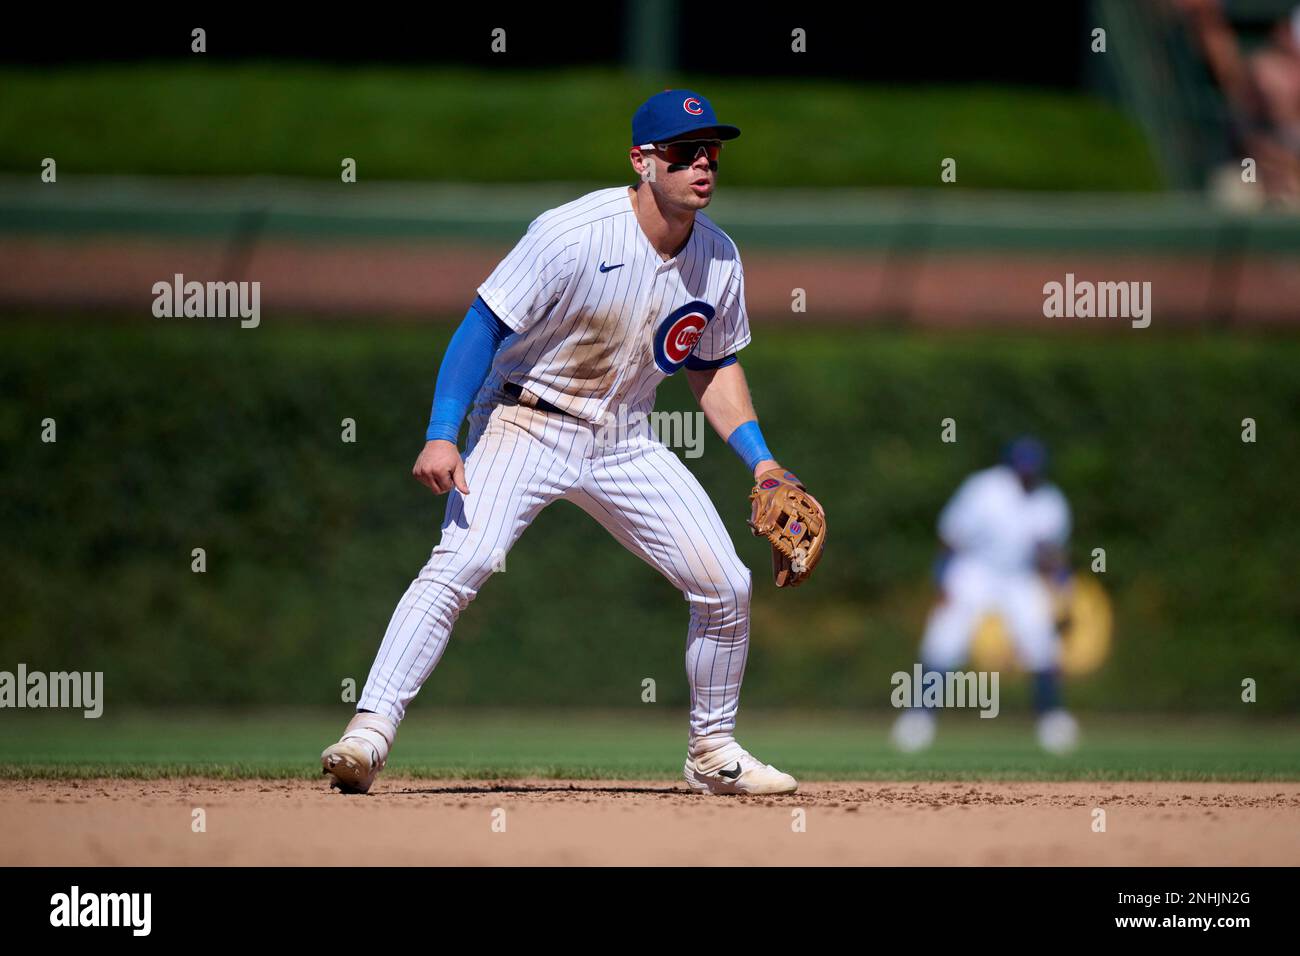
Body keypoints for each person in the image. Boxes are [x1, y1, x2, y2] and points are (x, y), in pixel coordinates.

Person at [320, 90, 803, 796]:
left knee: (725, 584)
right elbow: (483, 324)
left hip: (625, 438)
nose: (702, 163)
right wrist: (442, 434)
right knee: (465, 560)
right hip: (524, 422)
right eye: (683, 151)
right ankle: (368, 733)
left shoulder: (719, 258)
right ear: (642, 161)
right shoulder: (573, 233)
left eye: (712, 151)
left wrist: (762, 462)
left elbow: (713, 365)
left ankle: (713, 750)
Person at [891, 437, 1080, 754]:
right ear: (1011, 465)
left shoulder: (1049, 501)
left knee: (1042, 643)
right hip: (974, 569)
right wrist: (942, 580)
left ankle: (1052, 721)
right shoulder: (985, 489)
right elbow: (951, 536)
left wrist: (1064, 591)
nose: (1026, 474)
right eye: (1022, 467)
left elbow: (1051, 556)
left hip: (1020, 576)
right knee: (944, 641)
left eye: (1031, 468)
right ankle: (918, 720)